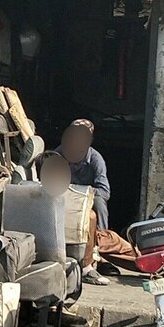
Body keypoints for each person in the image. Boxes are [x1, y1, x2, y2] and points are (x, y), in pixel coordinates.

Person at [57, 118, 113, 286]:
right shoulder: (59, 154)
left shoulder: (96, 159)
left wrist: (84, 194)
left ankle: (100, 249)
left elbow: (105, 191)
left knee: (98, 204)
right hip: (64, 199)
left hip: (85, 200)